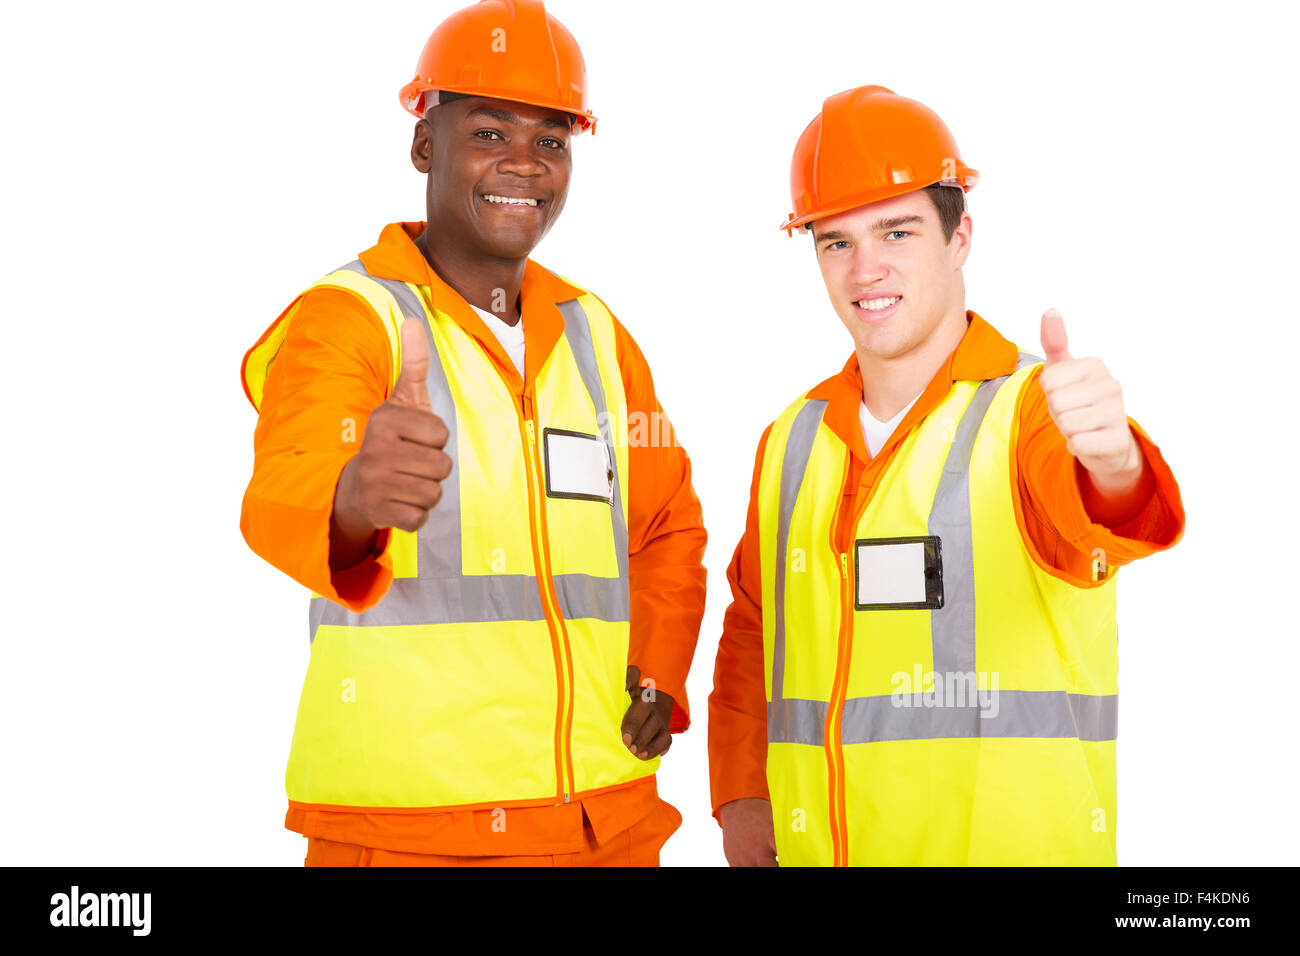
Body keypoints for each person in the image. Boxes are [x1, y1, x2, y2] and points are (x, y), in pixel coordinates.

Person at [239, 0, 706, 867]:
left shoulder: (595, 334)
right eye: (490, 131)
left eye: (553, 141)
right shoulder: (354, 317)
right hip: (417, 831)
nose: (525, 164)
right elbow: (283, 485)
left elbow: (665, 525)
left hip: (603, 820)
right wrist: (349, 500)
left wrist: (658, 668)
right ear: (426, 145)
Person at [707, 85, 1185, 866]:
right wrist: (742, 793)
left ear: (960, 238)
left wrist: (1116, 462)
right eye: (836, 242)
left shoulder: (1032, 412)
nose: (867, 270)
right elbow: (757, 624)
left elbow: (1101, 520)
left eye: (897, 231)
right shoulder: (791, 439)